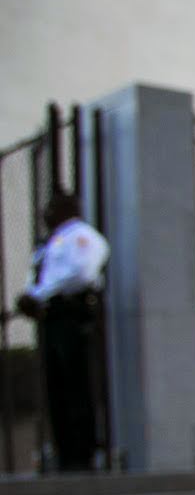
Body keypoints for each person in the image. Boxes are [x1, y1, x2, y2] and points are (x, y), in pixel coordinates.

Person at [16, 193, 110, 472]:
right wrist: (31, 297)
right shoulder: (50, 243)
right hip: (51, 316)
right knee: (56, 386)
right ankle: (64, 452)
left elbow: (82, 272)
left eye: (52, 208)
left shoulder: (82, 236)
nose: (46, 214)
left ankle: (83, 454)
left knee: (75, 383)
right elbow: (43, 275)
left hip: (71, 314)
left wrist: (42, 293)